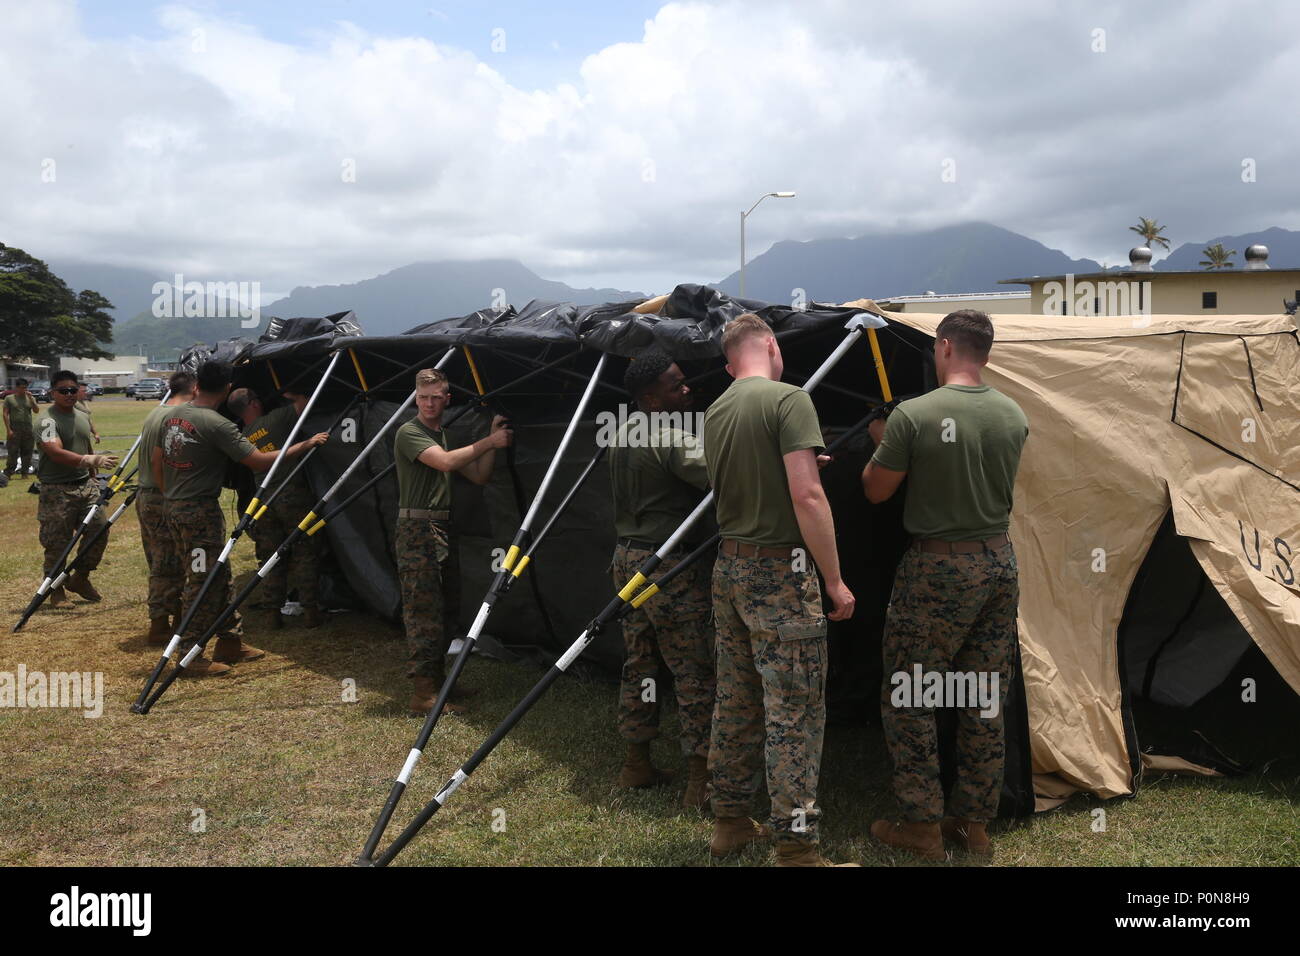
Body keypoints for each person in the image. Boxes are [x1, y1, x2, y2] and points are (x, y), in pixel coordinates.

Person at [862, 309, 1029, 861]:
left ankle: (921, 825)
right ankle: (973, 825)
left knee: (910, 696)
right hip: (999, 563)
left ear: (945, 346)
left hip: (937, 570)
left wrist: (882, 442)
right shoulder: (1013, 415)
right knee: (983, 696)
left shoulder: (914, 416)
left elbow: (876, 492)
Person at [702, 313, 856, 867]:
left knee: (736, 699)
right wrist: (834, 581)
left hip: (730, 569)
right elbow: (808, 497)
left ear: (729, 361)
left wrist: (795, 465)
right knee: (794, 711)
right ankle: (795, 847)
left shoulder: (717, 409)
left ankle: (730, 821)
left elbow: (744, 479)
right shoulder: (789, 400)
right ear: (770, 345)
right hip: (780, 576)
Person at [153, 361, 328, 678]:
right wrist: (305, 444)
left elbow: (157, 459)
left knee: (220, 575)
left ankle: (231, 641)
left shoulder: (172, 416)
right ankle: (189, 654)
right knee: (202, 581)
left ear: (196, 386)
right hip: (197, 514)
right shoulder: (216, 424)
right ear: (227, 388)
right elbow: (258, 462)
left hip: (176, 507)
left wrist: (172, 495)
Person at [607, 350, 715, 809]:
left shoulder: (621, 432)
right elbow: (721, 476)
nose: (687, 389)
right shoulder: (669, 438)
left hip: (626, 561)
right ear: (651, 399)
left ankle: (637, 761)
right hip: (664, 566)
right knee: (692, 671)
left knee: (641, 662)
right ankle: (700, 779)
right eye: (676, 385)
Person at [393, 368, 511, 716]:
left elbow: (479, 475)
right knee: (423, 612)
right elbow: (445, 463)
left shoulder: (441, 435)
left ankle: (441, 682)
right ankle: (423, 693)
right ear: (416, 398)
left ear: (448, 398)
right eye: (423, 397)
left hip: (440, 529)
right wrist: (489, 442)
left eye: (436, 397)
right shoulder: (409, 432)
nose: (429, 403)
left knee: (446, 608)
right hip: (417, 530)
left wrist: (491, 437)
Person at [229, 386, 328, 629]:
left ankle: (272, 613)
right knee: (306, 551)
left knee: (270, 558)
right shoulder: (275, 418)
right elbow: (307, 401)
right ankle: (311, 612)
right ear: (253, 403)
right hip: (293, 494)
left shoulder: (241, 435)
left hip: (263, 502)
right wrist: (293, 394)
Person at [33, 371, 118, 606]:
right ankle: (55, 589)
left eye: (73, 390)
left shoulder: (81, 415)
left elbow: (86, 444)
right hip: (57, 490)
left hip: (86, 486)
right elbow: (55, 451)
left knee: (99, 529)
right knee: (57, 542)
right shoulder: (46, 421)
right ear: (52, 393)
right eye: (63, 391)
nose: (69, 395)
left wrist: (93, 475)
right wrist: (90, 460)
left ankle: (80, 577)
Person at [135, 371, 196, 645]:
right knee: (167, 563)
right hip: (162, 495)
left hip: (148, 495)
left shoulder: (155, 412)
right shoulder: (177, 417)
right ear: (194, 389)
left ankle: (172, 618)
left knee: (162, 560)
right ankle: (160, 625)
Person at [4, 378, 39, 478]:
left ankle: (25, 473)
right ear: (17, 387)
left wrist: (32, 399)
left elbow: (36, 410)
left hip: (28, 428)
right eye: (22, 388)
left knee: (27, 451)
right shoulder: (9, 398)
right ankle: (9, 472)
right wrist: (8, 429)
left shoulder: (29, 398)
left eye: (25, 388)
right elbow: (5, 414)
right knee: (12, 452)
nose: (24, 390)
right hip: (15, 428)